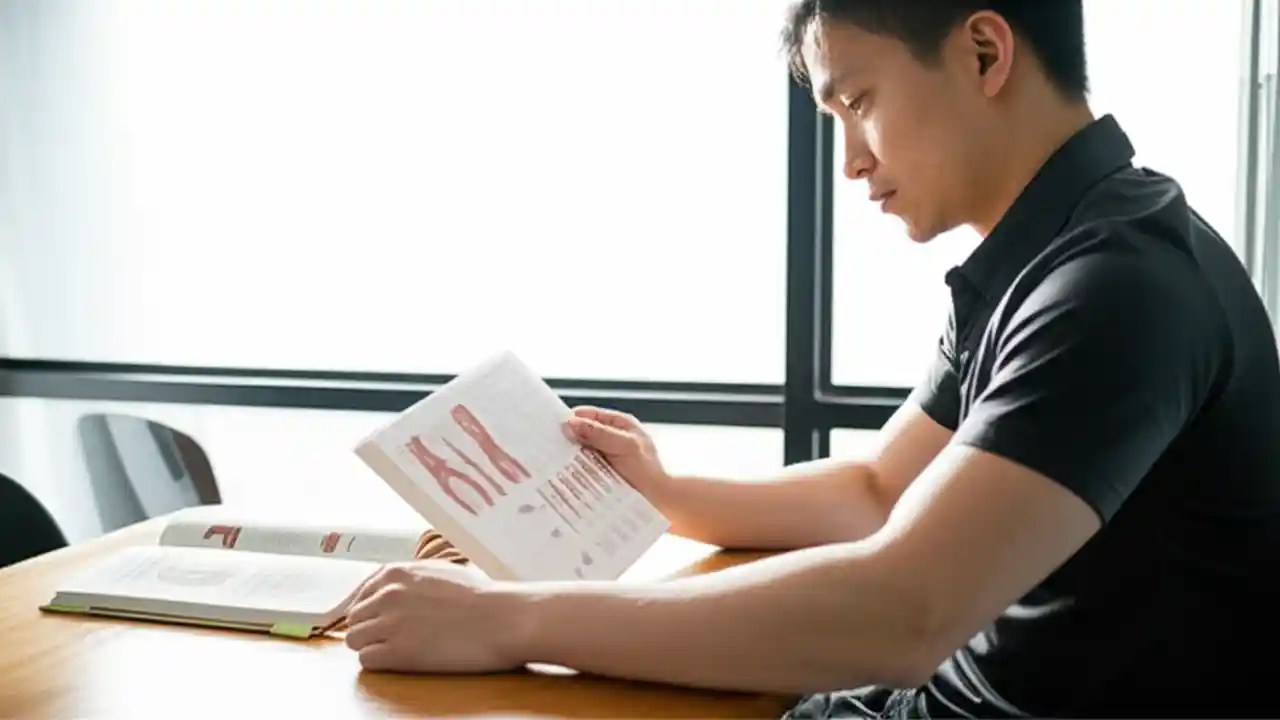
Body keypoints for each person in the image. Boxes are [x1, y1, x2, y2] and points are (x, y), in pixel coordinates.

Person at [341, 1, 1280, 716]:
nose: (850, 163)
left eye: (858, 101)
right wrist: (666, 495)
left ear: (986, 53)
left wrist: (508, 620)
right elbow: (880, 489)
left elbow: (900, 615)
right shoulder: (1056, 254)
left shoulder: (1118, 289)